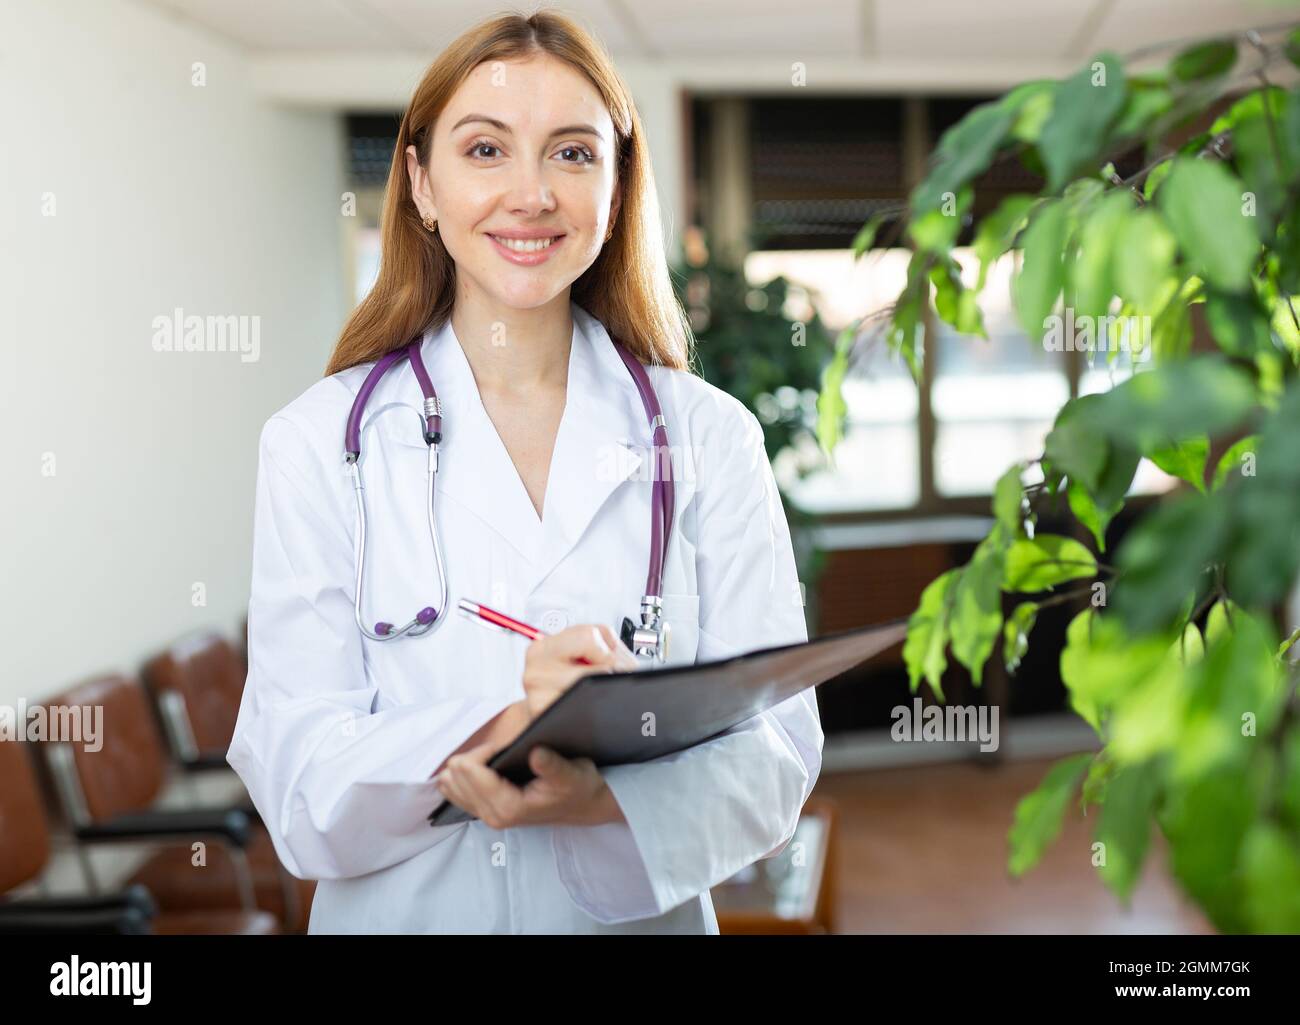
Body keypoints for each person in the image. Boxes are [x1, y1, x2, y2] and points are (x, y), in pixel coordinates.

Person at [226, 9, 822, 934]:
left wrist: (596, 800)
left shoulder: (710, 439)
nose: (532, 193)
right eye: (486, 149)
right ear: (422, 182)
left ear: (617, 189)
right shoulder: (317, 443)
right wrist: (506, 734)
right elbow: (298, 780)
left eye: (574, 154)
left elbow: (778, 754)